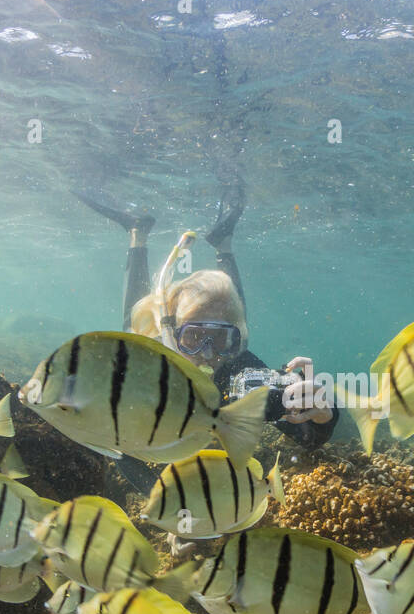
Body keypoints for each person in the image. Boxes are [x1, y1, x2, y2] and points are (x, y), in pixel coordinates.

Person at [76, 183, 337, 488]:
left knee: (230, 314)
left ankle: (222, 245)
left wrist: (322, 414)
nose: (208, 353)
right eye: (194, 337)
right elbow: (122, 449)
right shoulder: (151, 362)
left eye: (222, 339)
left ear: (235, 343)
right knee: (133, 322)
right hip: (154, 335)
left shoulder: (239, 371)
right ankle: (138, 233)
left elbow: (306, 436)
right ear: (172, 333)